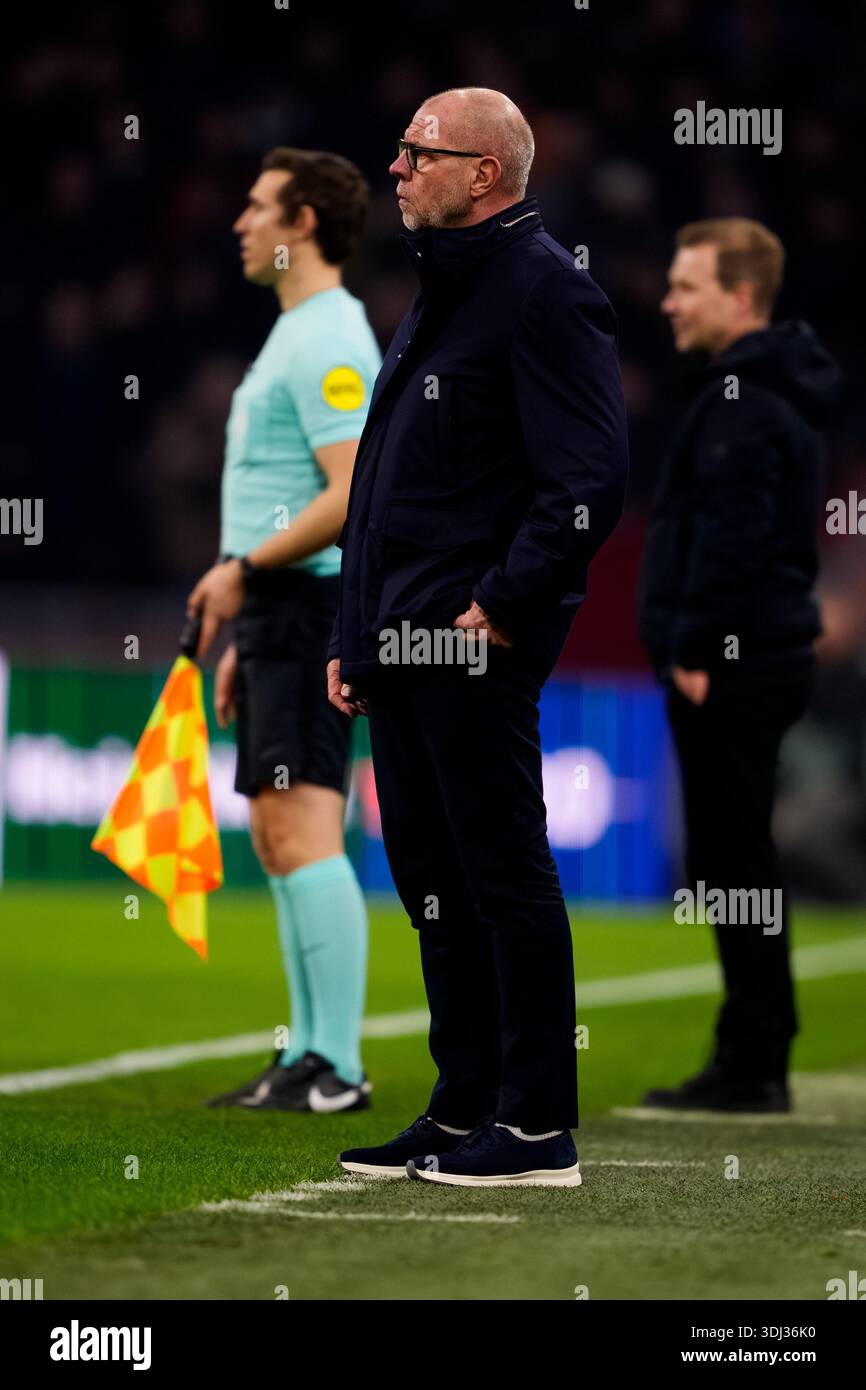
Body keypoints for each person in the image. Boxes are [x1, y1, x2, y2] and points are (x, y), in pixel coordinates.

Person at [329, 88, 628, 1185]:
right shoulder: (443, 285)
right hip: (400, 639)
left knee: (499, 873)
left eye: (420, 152)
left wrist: (500, 604)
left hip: (468, 638)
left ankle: (537, 1121)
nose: (397, 168)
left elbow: (590, 481)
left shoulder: (545, 292)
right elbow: (385, 490)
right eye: (399, 149)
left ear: (484, 175)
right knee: (432, 880)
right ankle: (461, 1108)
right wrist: (353, 633)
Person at [186, 147, 382, 1113]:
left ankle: (337, 1066)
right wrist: (245, 614)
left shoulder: (331, 339)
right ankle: (307, 1053)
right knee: (275, 833)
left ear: (303, 223)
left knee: (305, 832)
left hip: (308, 607)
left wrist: (244, 573)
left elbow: (350, 498)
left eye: (258, 207)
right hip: (279, 611)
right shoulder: (299, 332)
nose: (241, 224)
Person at [638, 218, 840, 1112]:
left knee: (734, 860)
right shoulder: (755, 395)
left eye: (687, 286)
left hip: (733, 661)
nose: (668, 302)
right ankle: (755, 1051)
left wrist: (693, 648)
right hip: (755, 654)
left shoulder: (742, 407)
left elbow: (734, 542)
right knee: (735, 857)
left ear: (742, 297)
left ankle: (753, 1060)